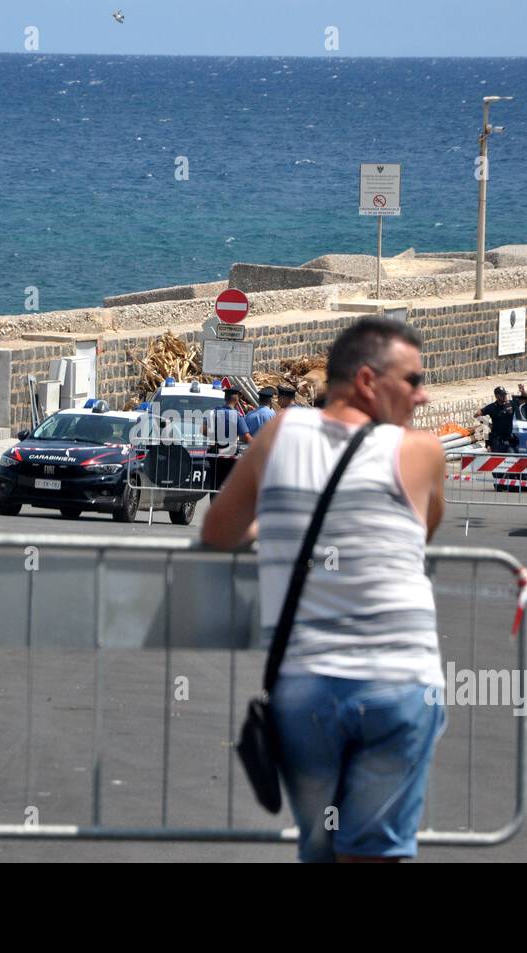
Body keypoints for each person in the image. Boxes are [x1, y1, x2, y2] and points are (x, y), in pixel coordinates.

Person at [201, 317, 447, 863]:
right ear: (367, 380)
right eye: (412, 380)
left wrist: (273, 526)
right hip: (399, 680)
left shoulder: (279, 432)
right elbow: (418, 535)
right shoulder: (421, 451)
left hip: (306, 687)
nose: (422, 394)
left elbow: (217, 533)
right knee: (375, 852)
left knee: (320, 848)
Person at [201, 386, 247, 489]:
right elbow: (245, 437)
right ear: (236, 398)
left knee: (215, 483)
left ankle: (214, 503)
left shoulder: (213, 412)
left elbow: (203, 431)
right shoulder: (237, 415)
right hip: (229, 454)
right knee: (230, 485)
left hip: (214, 453)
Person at [479, 385, 518, 453]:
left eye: (505, 394)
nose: (505, 396)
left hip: (508, 439)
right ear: (497, 396)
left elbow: (524, 400)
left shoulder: (510, 404)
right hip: (497, 441)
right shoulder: (492, 407)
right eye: (502, 395)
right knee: (497, 460)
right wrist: (487, 423)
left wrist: (522, 391)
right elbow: (477, 415)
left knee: (513, 459)